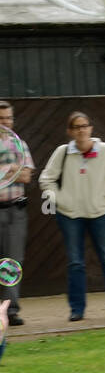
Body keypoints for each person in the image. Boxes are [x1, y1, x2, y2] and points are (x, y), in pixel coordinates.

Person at [38, 111, 105, 322]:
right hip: (70, 215)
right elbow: (46, 179)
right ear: (70, 131)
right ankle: (77, 310)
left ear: (91, 128)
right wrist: (59, 199)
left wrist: (104, 201)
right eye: (76, 127)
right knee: (75, 263)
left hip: (102, 214)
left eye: (84, 126)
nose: (81, 130)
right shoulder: (62, 152)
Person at [0, 102, 34, 326]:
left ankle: (10, 311)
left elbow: (26, 177)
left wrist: (9, 171)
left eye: (9, 118)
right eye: (2, 119)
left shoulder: (19, 145)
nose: (6, 123)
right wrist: (12, 169)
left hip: (14, 209)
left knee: (12, 261)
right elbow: (15, 173)